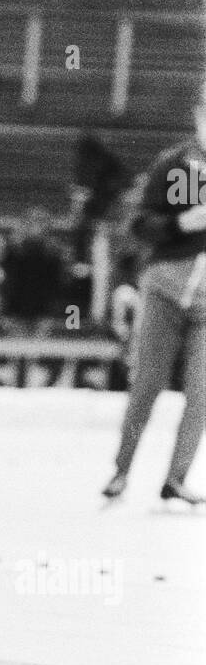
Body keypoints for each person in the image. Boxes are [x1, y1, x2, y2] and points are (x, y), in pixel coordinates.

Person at [102, 97, 206, 504]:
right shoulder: (174, 164)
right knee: (147, 383)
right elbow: (139, 224)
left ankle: (176, 479)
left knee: (202, 394)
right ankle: (121, 470)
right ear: (197, 116)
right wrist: (180, 223)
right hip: (164, 289)